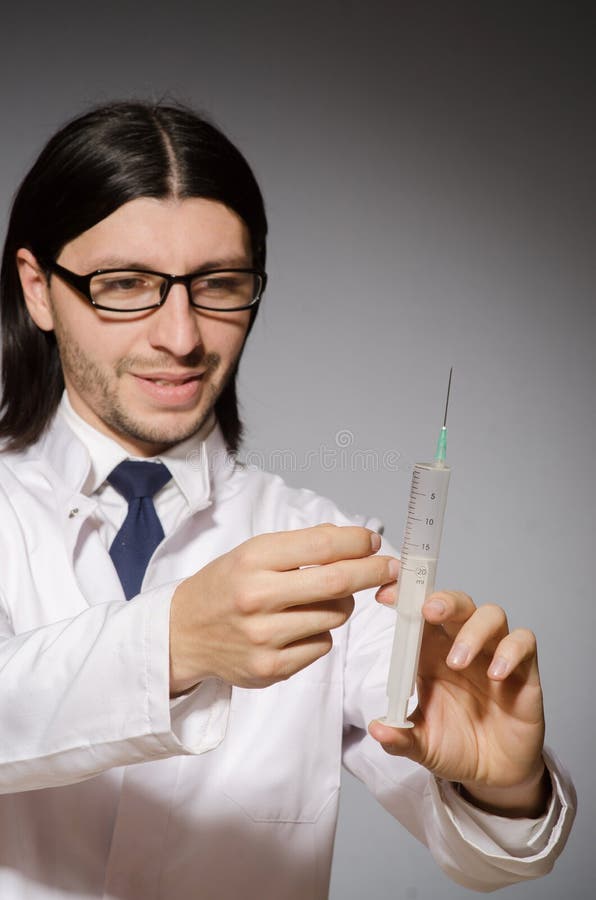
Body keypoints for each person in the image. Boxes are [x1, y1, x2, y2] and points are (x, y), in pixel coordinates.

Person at [0, 100, 575, 899]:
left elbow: (487, 852)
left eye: (218, 285)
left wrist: (504, 785)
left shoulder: (329, 549)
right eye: (126, 285)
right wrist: (174, 642)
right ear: (38, 289)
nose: (181, 337)